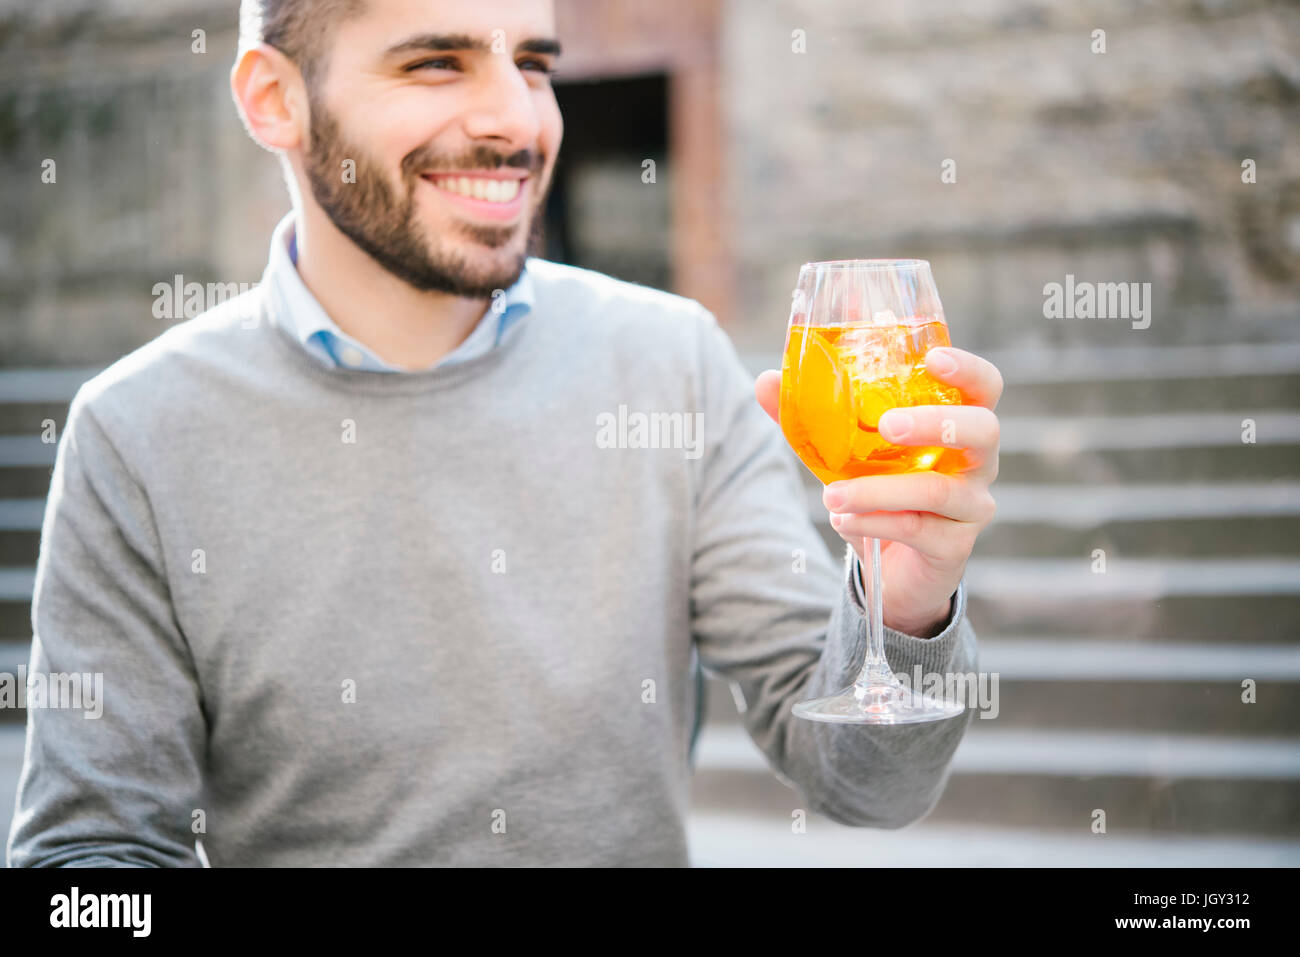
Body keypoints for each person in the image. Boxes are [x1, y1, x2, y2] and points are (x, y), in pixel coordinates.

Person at [7, 0, 1001, 867]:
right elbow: (89, 865)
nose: (515, 119)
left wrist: (906, 608)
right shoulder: (134, 432)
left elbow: (868, 785)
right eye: (437, 62)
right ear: (275, 98)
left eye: (533, 64)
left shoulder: (672, 361)